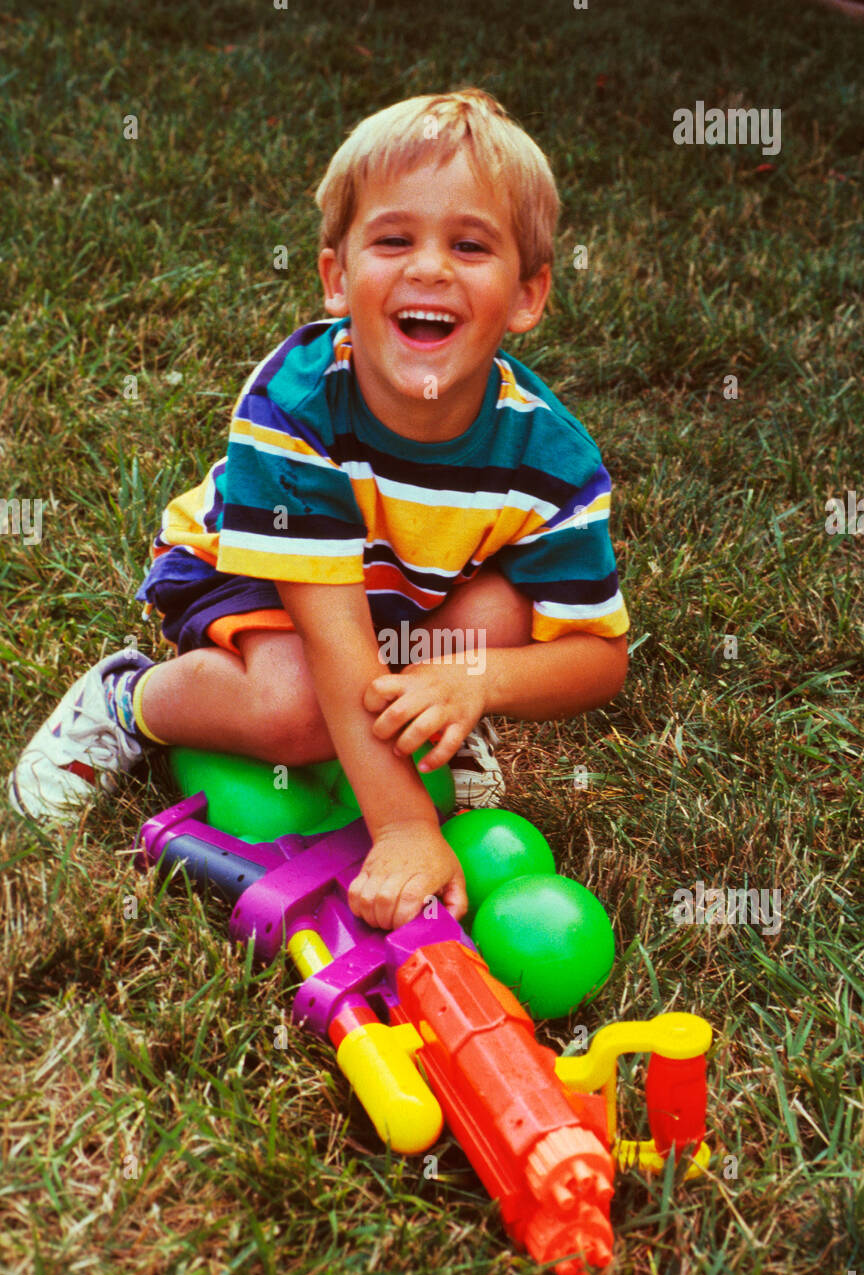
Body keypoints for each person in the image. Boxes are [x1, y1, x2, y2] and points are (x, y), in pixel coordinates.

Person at [9, 89, 629, 931]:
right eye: (395, 239)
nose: (430, 267)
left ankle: (428, 716)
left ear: (527, 293)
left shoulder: (553, 458)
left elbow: (599, 658)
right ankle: (128, 700)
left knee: (508, 610)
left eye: (471, 245)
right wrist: (406, 826)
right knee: (298, 708)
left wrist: (475, 678)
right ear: (338, 277)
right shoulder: (298, 409)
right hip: (250, 574)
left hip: (403, 593)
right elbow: (337, 648)